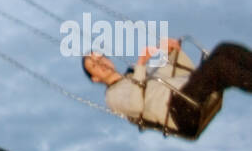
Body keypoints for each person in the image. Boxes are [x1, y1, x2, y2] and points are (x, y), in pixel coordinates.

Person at [83, 38, 252, 138]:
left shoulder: (137, 72)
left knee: (225, 49)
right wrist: (141, 63)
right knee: (219, 66)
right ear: (95, 78)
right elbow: (136, 106)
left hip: (185, 93)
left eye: (100, 58)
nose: (100, 63)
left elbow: (176, 71)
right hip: (178, 111)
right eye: (94, 65)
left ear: (108, 59)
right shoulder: (112, 97)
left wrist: (171, 50)